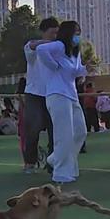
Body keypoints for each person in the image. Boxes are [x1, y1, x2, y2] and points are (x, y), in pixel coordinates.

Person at [37, 20, 88, 184]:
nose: (78, 37)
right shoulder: (58, 46)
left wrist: (86, 70)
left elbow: (76, 70)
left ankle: (54, 159)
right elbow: (40, 49)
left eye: (79, 33)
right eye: (76, 33)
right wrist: (53, 65)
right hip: (57, 94)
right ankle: (61, 172)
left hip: (71, 94)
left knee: (81, 131)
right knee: (64, 135)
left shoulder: (74, 52)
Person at [21, 18, 59, 173]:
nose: (55, 36)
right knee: (33, 128)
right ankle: (30, 162)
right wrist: (49, 43)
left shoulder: (57, 48)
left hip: (53, 93)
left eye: (57, 33)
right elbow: (31, 46)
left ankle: (53, 163)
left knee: (54, 130)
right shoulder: (32, 46)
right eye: (52, 33)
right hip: (34, 94)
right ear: (44, 32)